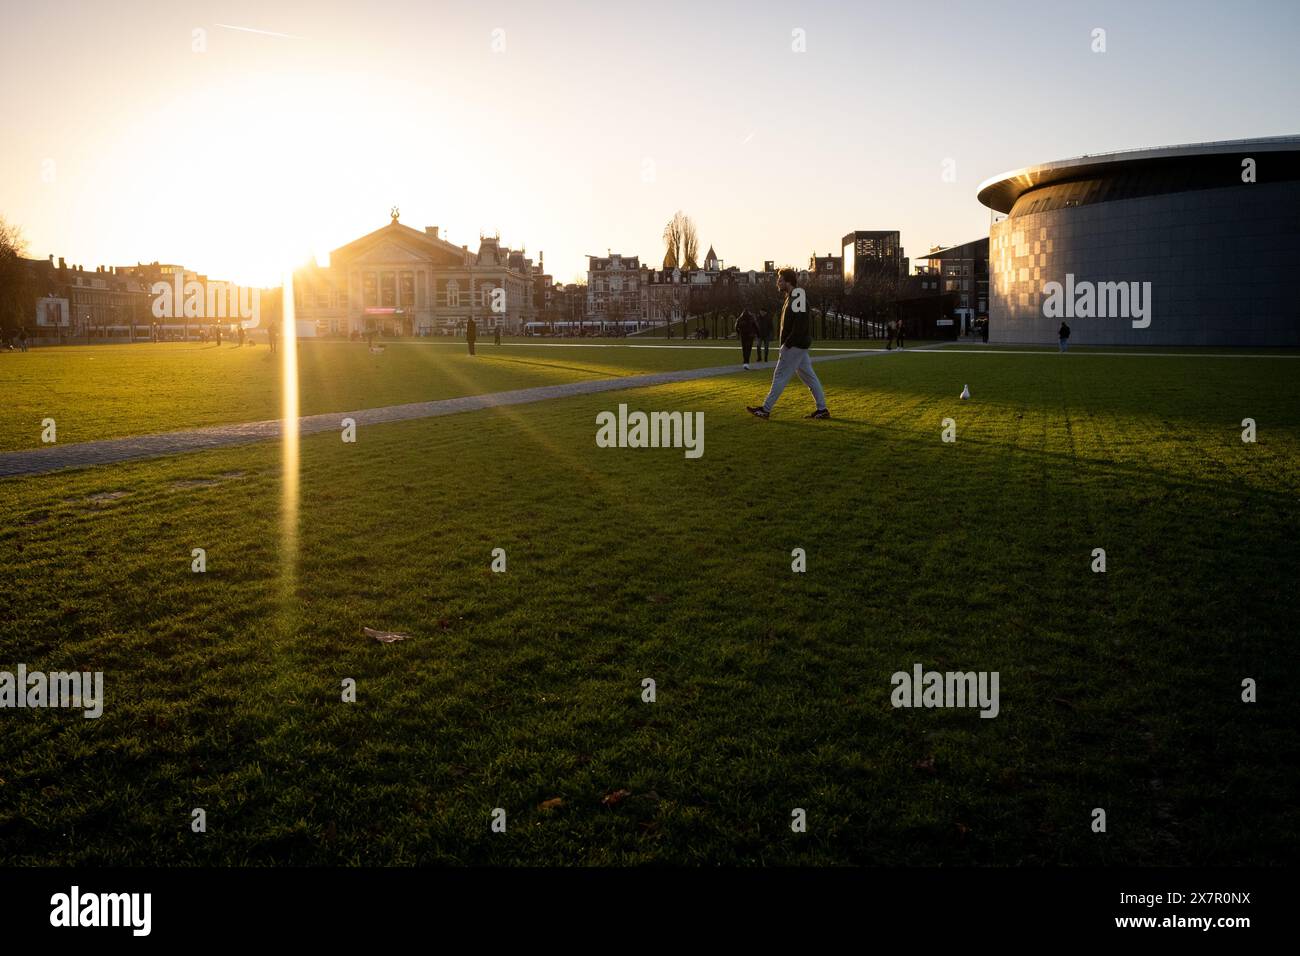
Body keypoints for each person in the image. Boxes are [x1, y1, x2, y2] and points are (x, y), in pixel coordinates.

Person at [746, 269, 829, 420]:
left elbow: (800, 326)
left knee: (779, 376)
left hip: (794, 346)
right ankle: (822, 409)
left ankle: (765, 409)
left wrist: (787, 344)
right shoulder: (792, 297)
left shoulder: (797, 296)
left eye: (780, 280)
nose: (778, 282)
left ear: (788, 282)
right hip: (797, 345)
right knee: (810, 378)